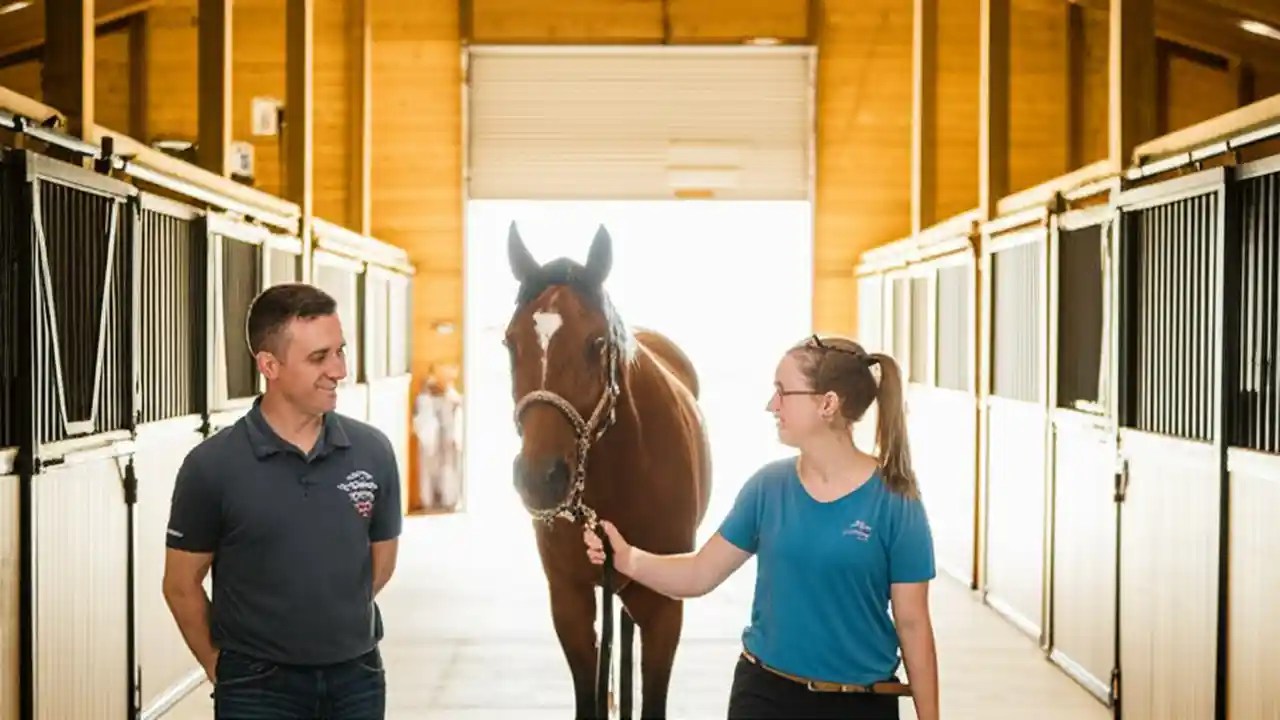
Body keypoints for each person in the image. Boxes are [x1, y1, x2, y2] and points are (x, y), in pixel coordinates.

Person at [584, 334, 939, 720]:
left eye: (783, 392)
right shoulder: (768, 488)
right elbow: (700, 573)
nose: (772, 405)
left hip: (861, 703)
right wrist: (628, 559)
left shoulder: (895, 501)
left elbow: (912, 623)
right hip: (764, 695)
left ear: (828, 404)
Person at [162, 282, 402, 719]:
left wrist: (328, 620)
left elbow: (380, 564)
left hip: (357, 680)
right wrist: (222, 668)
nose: (339, 370)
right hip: (257, 688)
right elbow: (180, 585)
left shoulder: (373, 451)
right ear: (269, 365)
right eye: (318, 358)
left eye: (340, 351)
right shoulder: (211, 466)